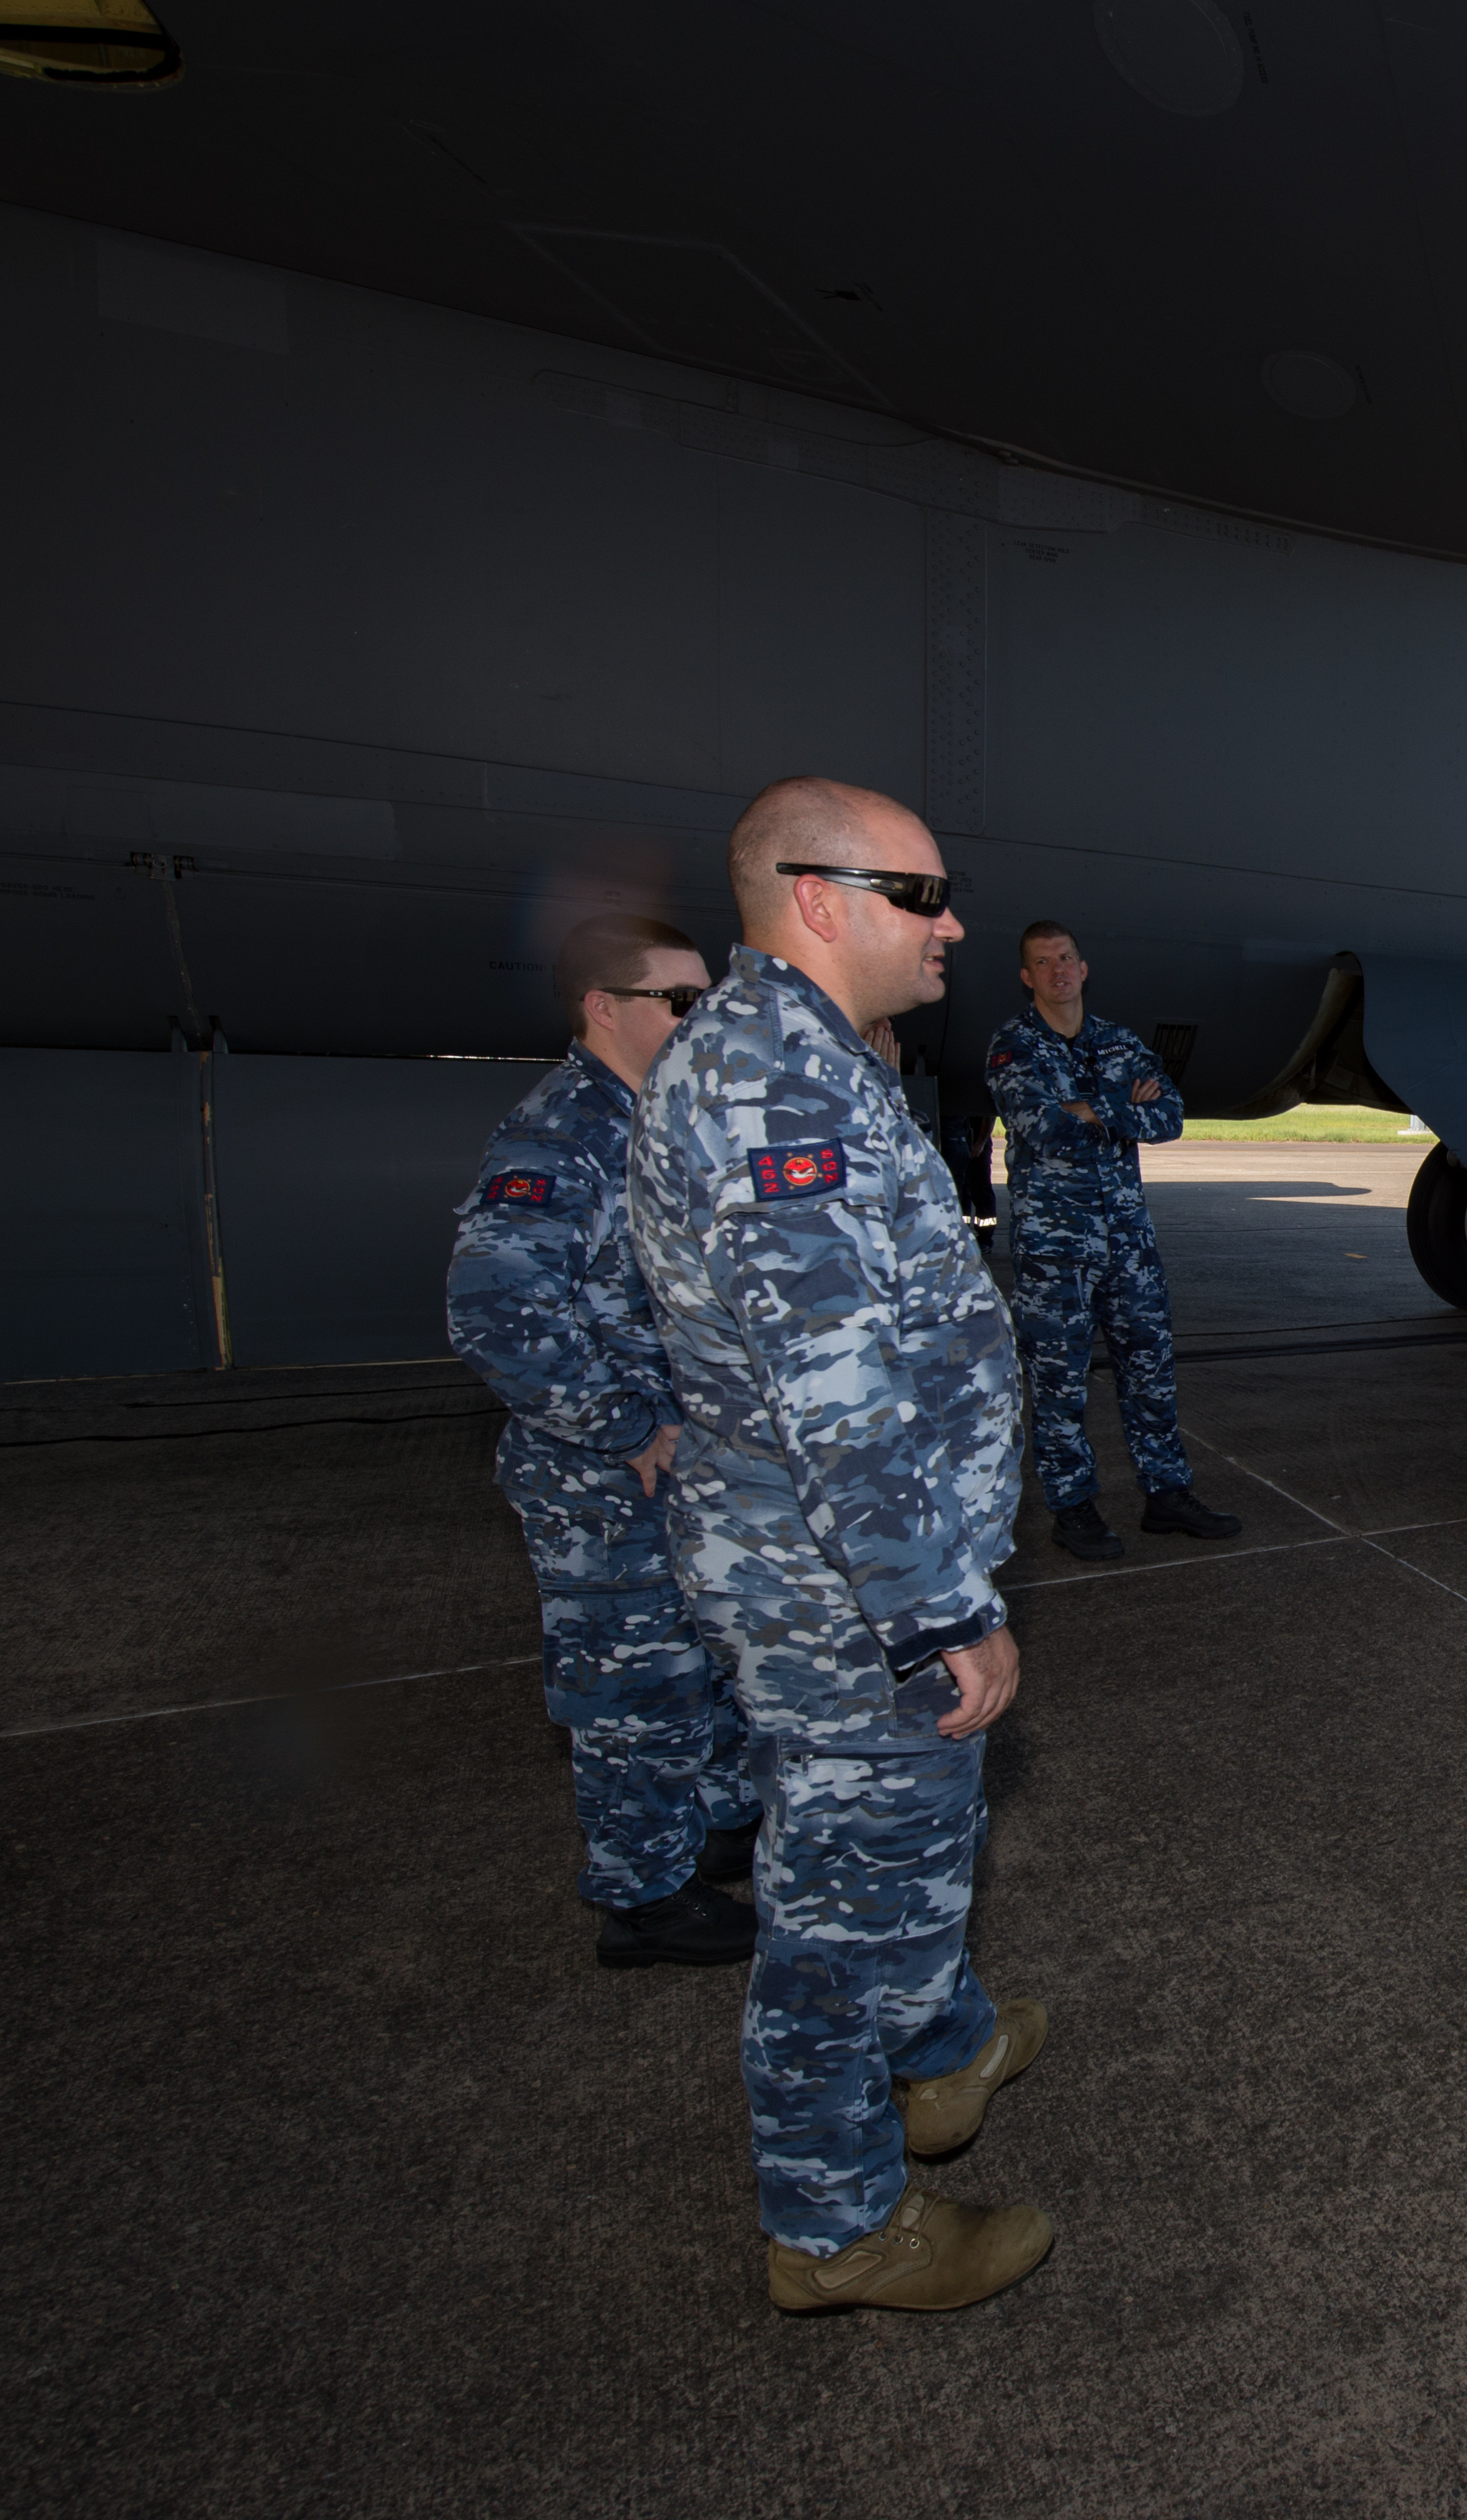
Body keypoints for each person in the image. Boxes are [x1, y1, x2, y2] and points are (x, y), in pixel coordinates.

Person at [629, 777, 1054, 2315]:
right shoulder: (770, 1086)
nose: (953, 926)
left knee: (897, 1863)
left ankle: (940, 2055)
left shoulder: (813, 1058)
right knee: (833, 1921)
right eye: (920, 896)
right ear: (815, 897)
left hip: (834, 1568)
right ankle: (834, 2226)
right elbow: (837, 1391)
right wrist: (938, 1608)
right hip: (843, 1588)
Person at [445, 914, 762, 1970]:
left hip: (678, 1468)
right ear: (605, 1008)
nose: (701, 1017)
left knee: (703, 1665)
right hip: (602, 1481)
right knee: (634, 1690)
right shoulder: (563, 1134)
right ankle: (644, 1899)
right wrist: (624, 1425)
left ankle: (713, 1826)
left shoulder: (656, 1118)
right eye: (682, 1001)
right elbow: (493, 1308)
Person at [984, 921, 1242, 1562]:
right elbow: (1037, 1126)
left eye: (1066, 958)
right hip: (1056, 1252)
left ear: (1084, 966)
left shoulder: (1118, 1040)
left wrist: (1086, 1107)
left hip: (1128, 1244)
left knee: (1150, 1372)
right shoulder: (1014, 1046)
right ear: (1027, 976)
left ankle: (1167, 1493)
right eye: (1043, 963)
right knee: (1059, 1384)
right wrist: (1118, 1103)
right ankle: (1072, 1509)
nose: (1058, 971)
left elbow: (1170, 1117)